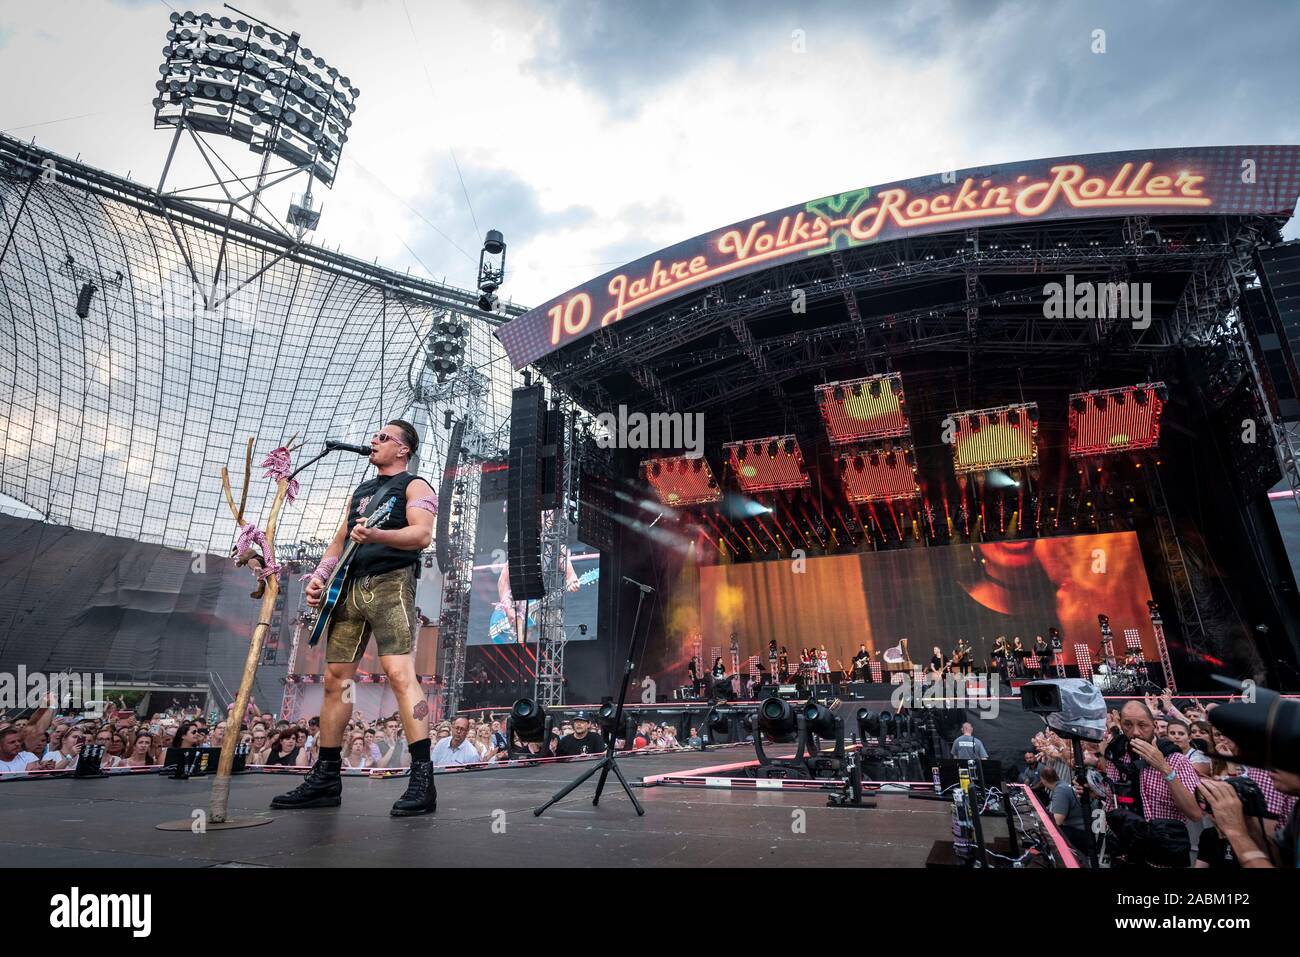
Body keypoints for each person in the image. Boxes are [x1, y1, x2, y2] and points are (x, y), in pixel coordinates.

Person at [272, 420, 439, 817]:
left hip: (391, 583)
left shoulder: (416, 486)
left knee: (399, 673)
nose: (373, 441)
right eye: (375, 436)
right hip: (349, 586)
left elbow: (422, 536)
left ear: (403, 450)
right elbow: (338, 541)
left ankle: (422, 778)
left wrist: (378, 537)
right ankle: (327, 777)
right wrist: (318, 577)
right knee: (334, 681)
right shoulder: (362, 492)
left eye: (383, 438)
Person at [1040, 764, 1088, 850]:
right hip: (1085, 830)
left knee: (1049, 832)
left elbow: (1057, 821)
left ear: (1043, 780)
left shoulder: (1060, 791)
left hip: (1081, 833)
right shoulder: (1063, 785)